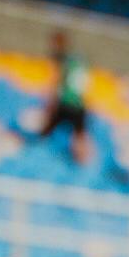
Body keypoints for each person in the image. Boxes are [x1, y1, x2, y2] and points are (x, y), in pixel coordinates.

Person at [35, 28, 91, 159]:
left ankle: (36, 149)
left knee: (47, 129)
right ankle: (82, 158)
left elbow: (57, 81)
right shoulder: (78, 59)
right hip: (78, 102)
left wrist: (50, 100)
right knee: (79, 133)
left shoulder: (61, 59)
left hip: (66, 101)